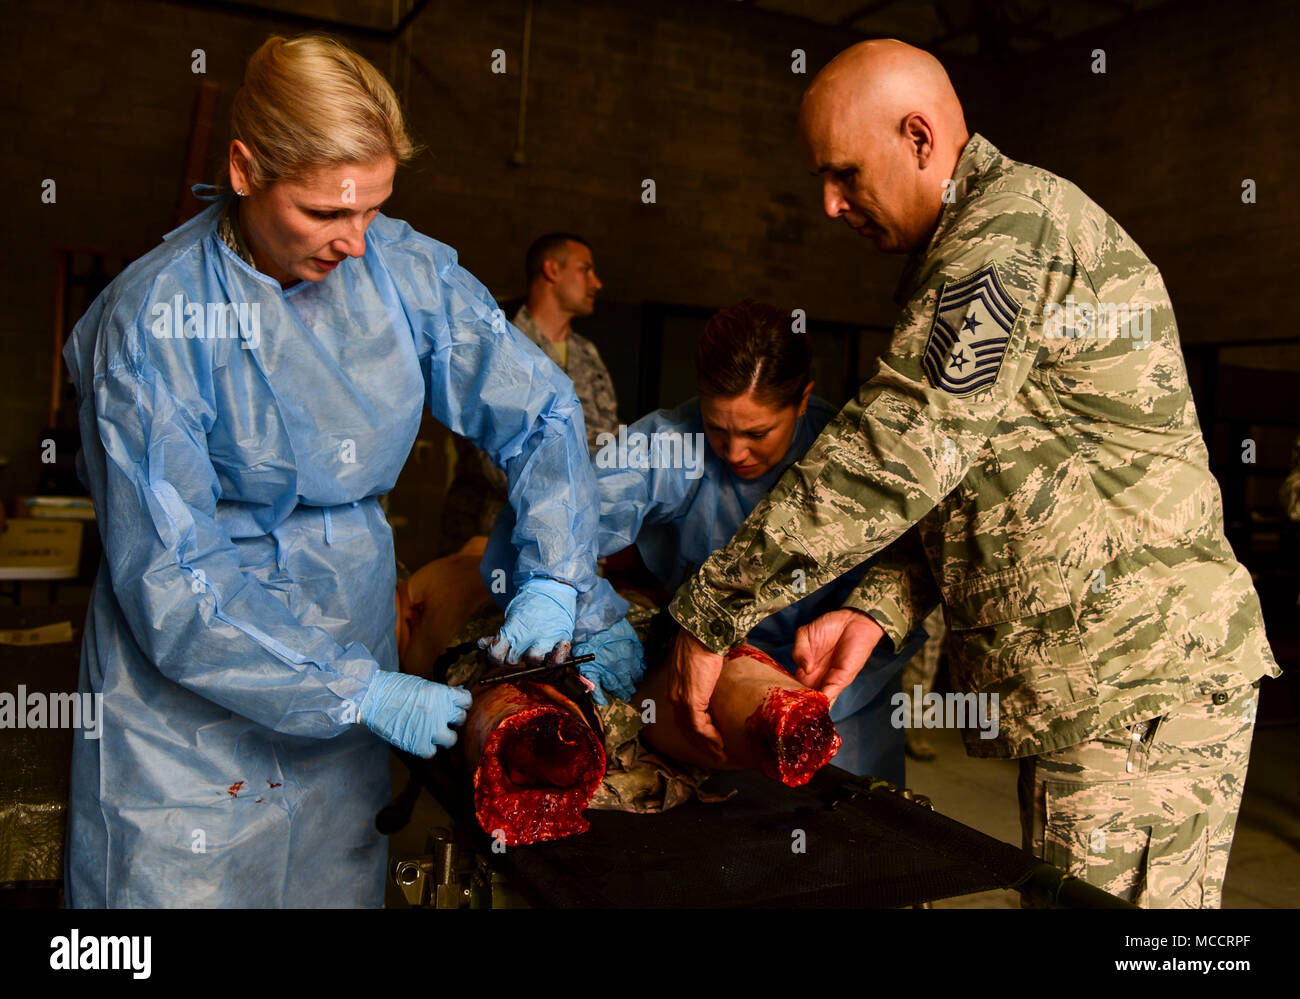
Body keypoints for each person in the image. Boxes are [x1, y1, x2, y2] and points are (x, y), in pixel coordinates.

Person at [663, 39, 1280, 908]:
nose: (831, 204)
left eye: (844, 174)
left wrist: (713, 607)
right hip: (1104, 688)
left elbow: (903, 442)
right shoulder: (976, 242)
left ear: (919, 137)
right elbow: (973, 477)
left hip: (1139, 684)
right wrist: (875, 609)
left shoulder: (1008, 227)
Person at [61, 35, 601, 908]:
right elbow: (176, 580)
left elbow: (538, 408)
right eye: (323, 213)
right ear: (244, 169)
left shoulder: (400, 266)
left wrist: (555, 574)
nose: (355, 243)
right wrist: (354, 689)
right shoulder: (154, 321)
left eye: (372, 208)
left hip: (350, 640)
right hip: (184, 723)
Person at [482, 300, 923, 782]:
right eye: (718, 427)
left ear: (801, 400)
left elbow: (901, 583)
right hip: (703, 672)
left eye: (758, 433)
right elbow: (548, 523)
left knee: (849, 830)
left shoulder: (858, 465)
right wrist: (586, 617)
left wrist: (808, 697)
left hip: (844, 695)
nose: (735, 453)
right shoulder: (672, 445)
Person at [439, 233, 619, 552]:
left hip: (570, 538)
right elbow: (492, 455)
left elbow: (607, 439)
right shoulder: (500, 343)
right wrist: (568, 499)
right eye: (585, 269)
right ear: (551, 270)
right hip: (491, 537)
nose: (597, 283)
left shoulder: (587, 354)